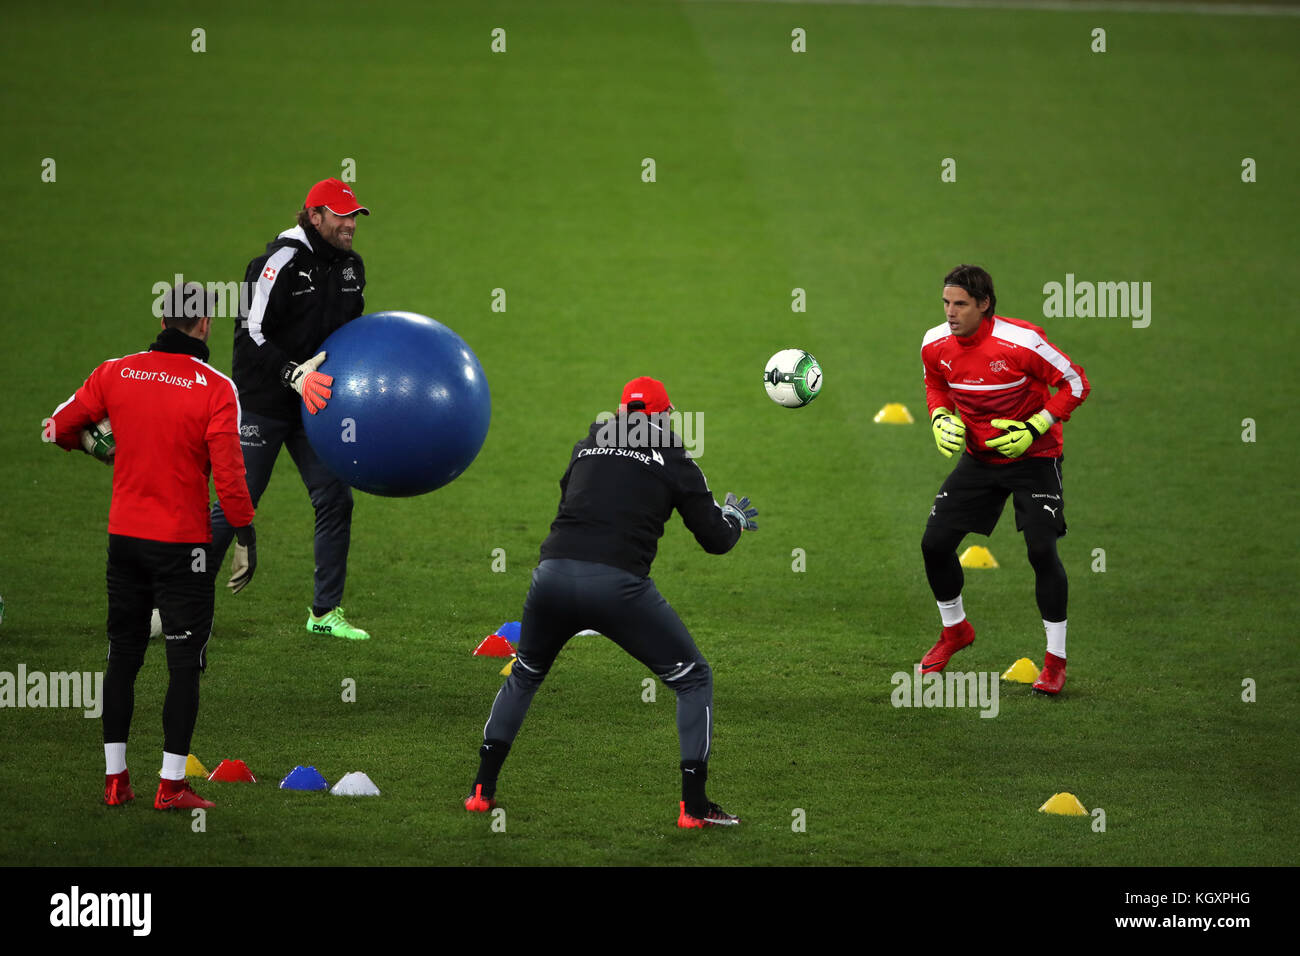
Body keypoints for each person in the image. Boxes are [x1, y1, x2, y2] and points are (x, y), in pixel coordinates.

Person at [464, 377, 757, 827]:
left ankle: (481, 791)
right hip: (618, 588)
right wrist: (733, 519)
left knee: (524, 675)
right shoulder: (673, 452)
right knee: (693, 678)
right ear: (661, 415)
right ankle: (694, 808)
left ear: (622, 413)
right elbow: (715, 539)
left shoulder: (589, 442)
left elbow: (569, 500)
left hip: (552, 577)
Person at [46, 284, 256, 809]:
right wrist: (245, 534)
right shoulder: (215, 387)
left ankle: (116, 780)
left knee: (123, 656)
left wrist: (91, 444)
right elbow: (229, 476)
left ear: (164, 318)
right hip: (182, 546)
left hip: (125, 541)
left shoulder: (115, 371)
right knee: (184, 664)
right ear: (204, 324)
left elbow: (58, 426)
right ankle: (171, 786)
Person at [209, 177, 371, 641]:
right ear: (313, 216)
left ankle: (324, 613)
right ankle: (176, 601)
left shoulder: (350, 268)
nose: (350, 225)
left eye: (354, 216)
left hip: (314, 403)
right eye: (340, 216)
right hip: (263, 403)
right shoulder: (276, 262)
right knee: (236, 506)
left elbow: (349, 336)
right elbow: (250, 335)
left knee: (335, 498)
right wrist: (292, 374)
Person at [919, 265, 1090, 695]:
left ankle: (1055, 662)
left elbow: (1075, 382)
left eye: (960, 304)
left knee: (1040, 549)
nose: (950, 313)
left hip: (1034, 457)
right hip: (979, 459)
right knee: (934, 545)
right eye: (946, 303)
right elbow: (936, 384)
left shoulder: (1022, 343)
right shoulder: (934, 343)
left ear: (984, 304)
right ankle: (955, 630)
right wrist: (939, 416)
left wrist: (1035, 426)